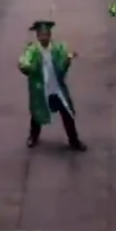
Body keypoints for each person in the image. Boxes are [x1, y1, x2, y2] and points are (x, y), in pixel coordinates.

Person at [18, 20, 85, 150]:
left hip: (57, 87)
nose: (44, 37)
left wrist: (69, 57)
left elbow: (64, 58)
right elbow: (24, 60)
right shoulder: (32, 50)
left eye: (46, 34)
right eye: (41, 35)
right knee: (37, 113)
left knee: (67, 113)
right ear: (37, 36)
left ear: (50, 35)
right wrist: (25, 65)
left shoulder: (57, 47)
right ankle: (33, 136)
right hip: (41, 88)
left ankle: (74, 140)